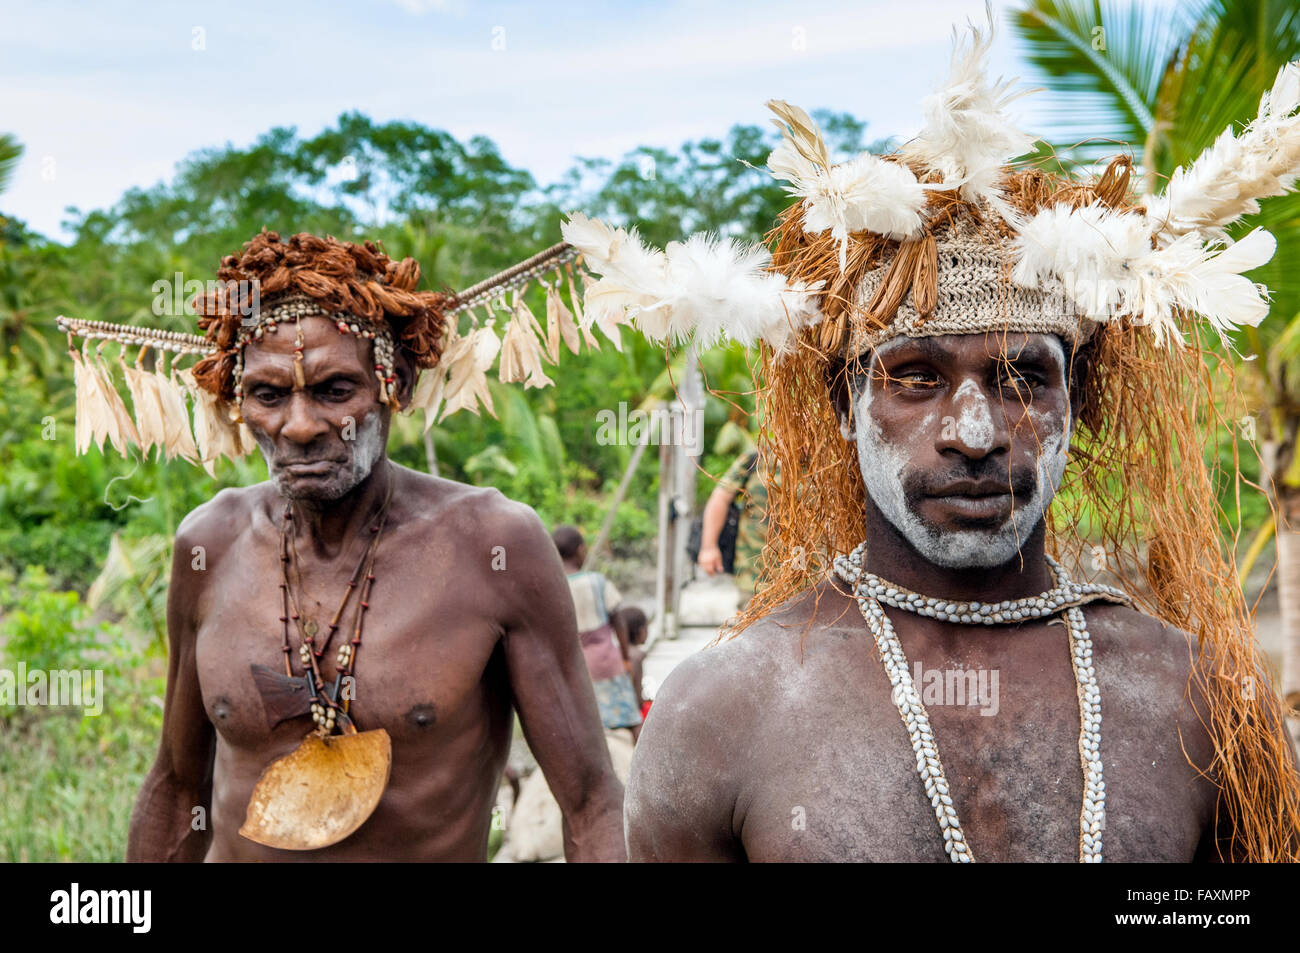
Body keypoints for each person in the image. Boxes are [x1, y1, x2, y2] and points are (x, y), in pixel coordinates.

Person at [566, 17, 1300, 861]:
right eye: (913, 376)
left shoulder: (1200, 699)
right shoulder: (719, 713)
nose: (976, 434)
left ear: (1080, 397)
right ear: (843, 404)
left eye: (1023, 376)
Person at [121, 231, 625, 862]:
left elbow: (589, 802)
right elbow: (176, 786)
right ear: (238, 398)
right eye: (269, 395)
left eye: (335, 391)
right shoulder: (208, 545)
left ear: (399, 385)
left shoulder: (495, 545)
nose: (300, 426)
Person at [552, 525, 643, 741]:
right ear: (580, 550)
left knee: (585, 721)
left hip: (576, 666)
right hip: (606, 660)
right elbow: (617, 618)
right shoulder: (596, 581)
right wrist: (625, 656)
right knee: (631, 718)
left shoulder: (554, 587)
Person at [696, 447, 766, 604]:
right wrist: (708, 547)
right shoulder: (757, 457)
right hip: (755, 576)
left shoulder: (823, 457)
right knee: (758, 625)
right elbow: (720, 497)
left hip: (810, 578)